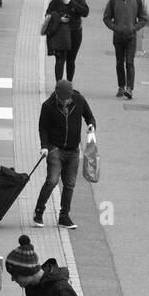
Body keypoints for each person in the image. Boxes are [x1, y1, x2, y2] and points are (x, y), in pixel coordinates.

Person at [33, 78, 96, 231]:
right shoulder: (48, 106)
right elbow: (43, 128)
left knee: (70, 184)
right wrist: (44, 146)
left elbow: (89, 116)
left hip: (74, 150)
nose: (65, 102)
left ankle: (64, 217)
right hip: (55, 148)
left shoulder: (79, 100)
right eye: (62, 99)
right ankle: (39, 211)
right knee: (52, 180)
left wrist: (91, 125)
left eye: (67, 99)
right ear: (56, 95)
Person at [102, 0, 147, 99]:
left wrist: (134, 28)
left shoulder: (137, 1)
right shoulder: (113, 1)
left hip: (131, 37)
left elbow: (143, 19)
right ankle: (121, 86)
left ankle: (129, 88)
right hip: (118, 37)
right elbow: (106, 18)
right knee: (119, 62)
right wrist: (115, 28)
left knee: (129, 62)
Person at [43, 0, 89, 82]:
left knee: (71, 60)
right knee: (60, 59)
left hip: (75, 33)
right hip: (61, 34)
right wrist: (59, 18)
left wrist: (71, 3)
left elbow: (85, 12)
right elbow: (48, 13)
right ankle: (58, 84)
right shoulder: (57, 0)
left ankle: (69, 83)